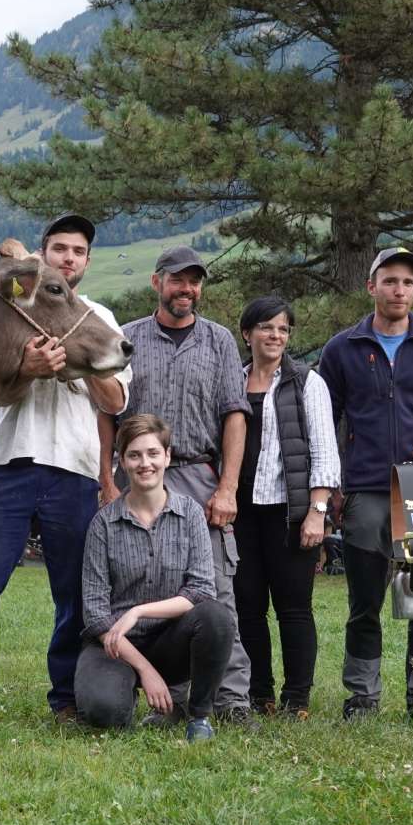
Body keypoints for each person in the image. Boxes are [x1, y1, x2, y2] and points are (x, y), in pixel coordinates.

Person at [0, 213, 132, 725]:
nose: (69, 258)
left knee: (72, 592)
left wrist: (78, 363)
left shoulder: (100, 317)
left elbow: (116, 400)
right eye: (60, 248)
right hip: (8, 464)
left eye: (78, 251)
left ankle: (66, 697)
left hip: (74, 470)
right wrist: (27, 369)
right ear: (42, 255)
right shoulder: (14, 304)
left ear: (87, 262)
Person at [319, 246, 413, 727]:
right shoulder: (341, 348)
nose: (398, 290)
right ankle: (362, 697)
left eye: (407, 282)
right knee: (365, 602)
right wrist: (332, 481)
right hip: (364, 488)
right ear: (372, 286)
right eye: (389, 281)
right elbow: (325, 419)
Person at [110, 244, 255, 723]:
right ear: (157, 282)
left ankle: (231, 699)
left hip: (198, 473)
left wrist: (228, 488)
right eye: (177, 280)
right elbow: (108, 413)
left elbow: (235, 415)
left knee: (216, 587)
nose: (186, 289)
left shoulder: (219, 341)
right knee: (150, 584)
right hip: (136, 475)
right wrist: (106, 482)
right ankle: (167, 699)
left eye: (194, 281)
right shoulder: (128, 338)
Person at [76, 415, 233, 742]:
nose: (144, 463)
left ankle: (198, 716)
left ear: (167, 456)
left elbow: (201, 590)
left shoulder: (190, 514)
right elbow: (96, 615)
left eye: (152, 453)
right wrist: (146, 671)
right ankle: (125, 692)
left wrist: (139, 611)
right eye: (134, 455)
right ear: (122, 461)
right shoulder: (103, 524)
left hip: (170, 640)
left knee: (216, 617)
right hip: (115, 644)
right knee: (104, 712)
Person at [230, 295, 341, 719]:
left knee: (294, 608)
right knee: (248, 606)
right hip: (241, 512)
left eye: (283, 329)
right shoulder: (233, 380)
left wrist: (317, 511)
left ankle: (297, 698)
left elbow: (325, 451)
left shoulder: (307, 383)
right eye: (266, 327)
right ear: (247, 333)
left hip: (290, 512)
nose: (275, 335)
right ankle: (258, 694)